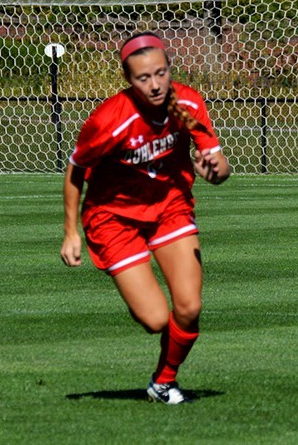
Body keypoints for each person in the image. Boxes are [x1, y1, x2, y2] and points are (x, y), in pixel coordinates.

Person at [60, 32, 231, 404]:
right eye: (143, 77)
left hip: (170, 208)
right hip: (113, 219)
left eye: (160, 73)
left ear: (170, 69)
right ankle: (163, 374)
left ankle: (163, 382)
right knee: (155, 320)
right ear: (128, 79)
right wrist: (71, 232)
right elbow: (75, 171)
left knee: (189, 307)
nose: (154, 84)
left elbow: (219, 165)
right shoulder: (109, 119)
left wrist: (215, 171)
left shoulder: (188, 102)